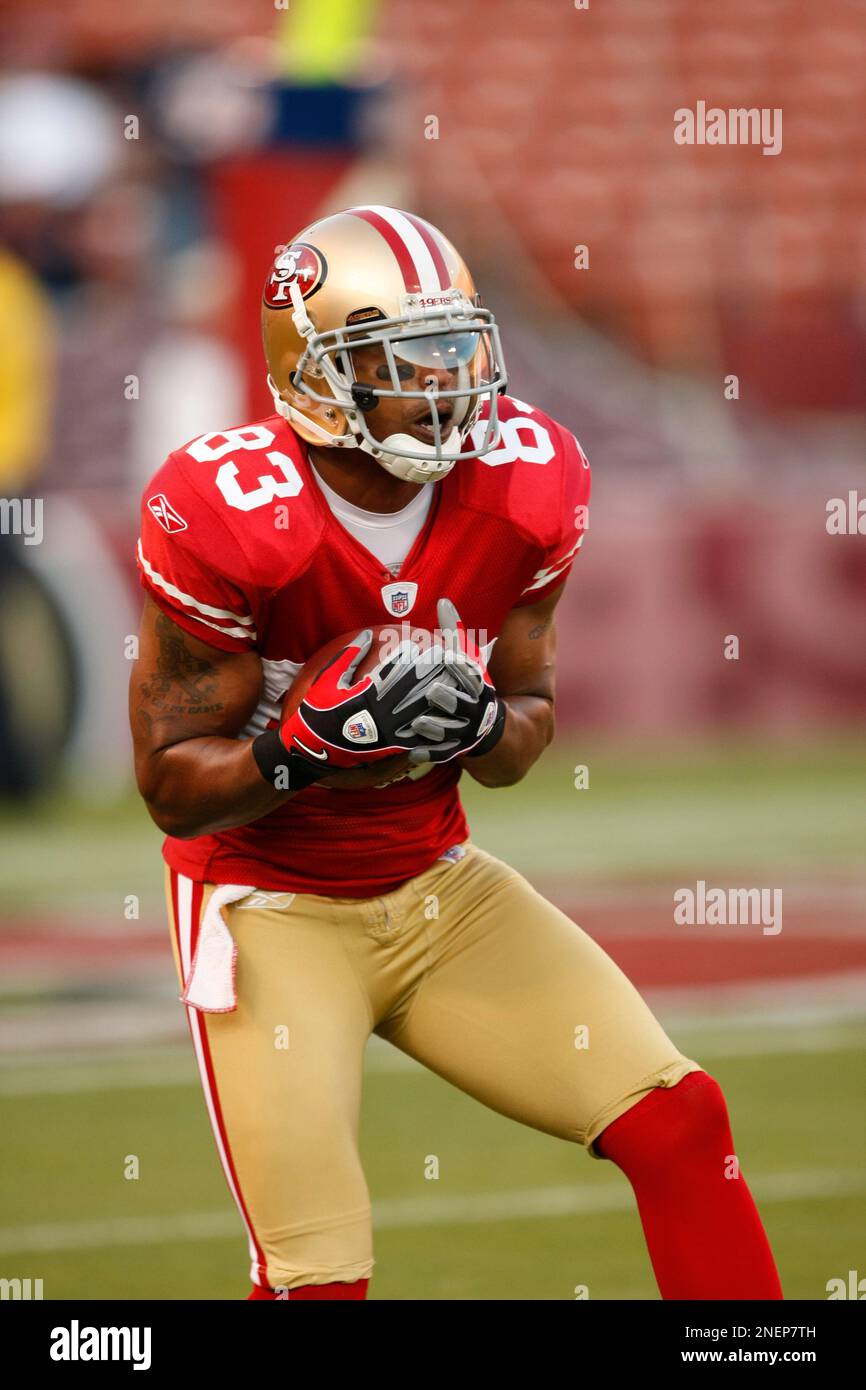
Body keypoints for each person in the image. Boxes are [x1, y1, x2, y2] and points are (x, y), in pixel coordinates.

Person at [129, 205, 782, 1300]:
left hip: (438, 885)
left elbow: (524, 727)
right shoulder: (231, 510)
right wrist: (301, 752)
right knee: (317, 1276)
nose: (447, 386)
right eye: (404, 359)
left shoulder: (527, 479)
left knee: (677, 1121)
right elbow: (172, 791)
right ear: (316, 368)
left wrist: (476, 722)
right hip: (268, 908)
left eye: (456, 349)